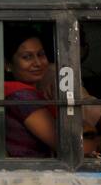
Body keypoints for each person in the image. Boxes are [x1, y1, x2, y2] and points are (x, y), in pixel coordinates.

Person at [4, 29, 63, 159]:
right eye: (27, 57)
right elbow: (68, 146)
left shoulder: (34, 93)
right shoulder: (21, 96)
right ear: (7, 64)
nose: (38, 63)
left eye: (41, 54)